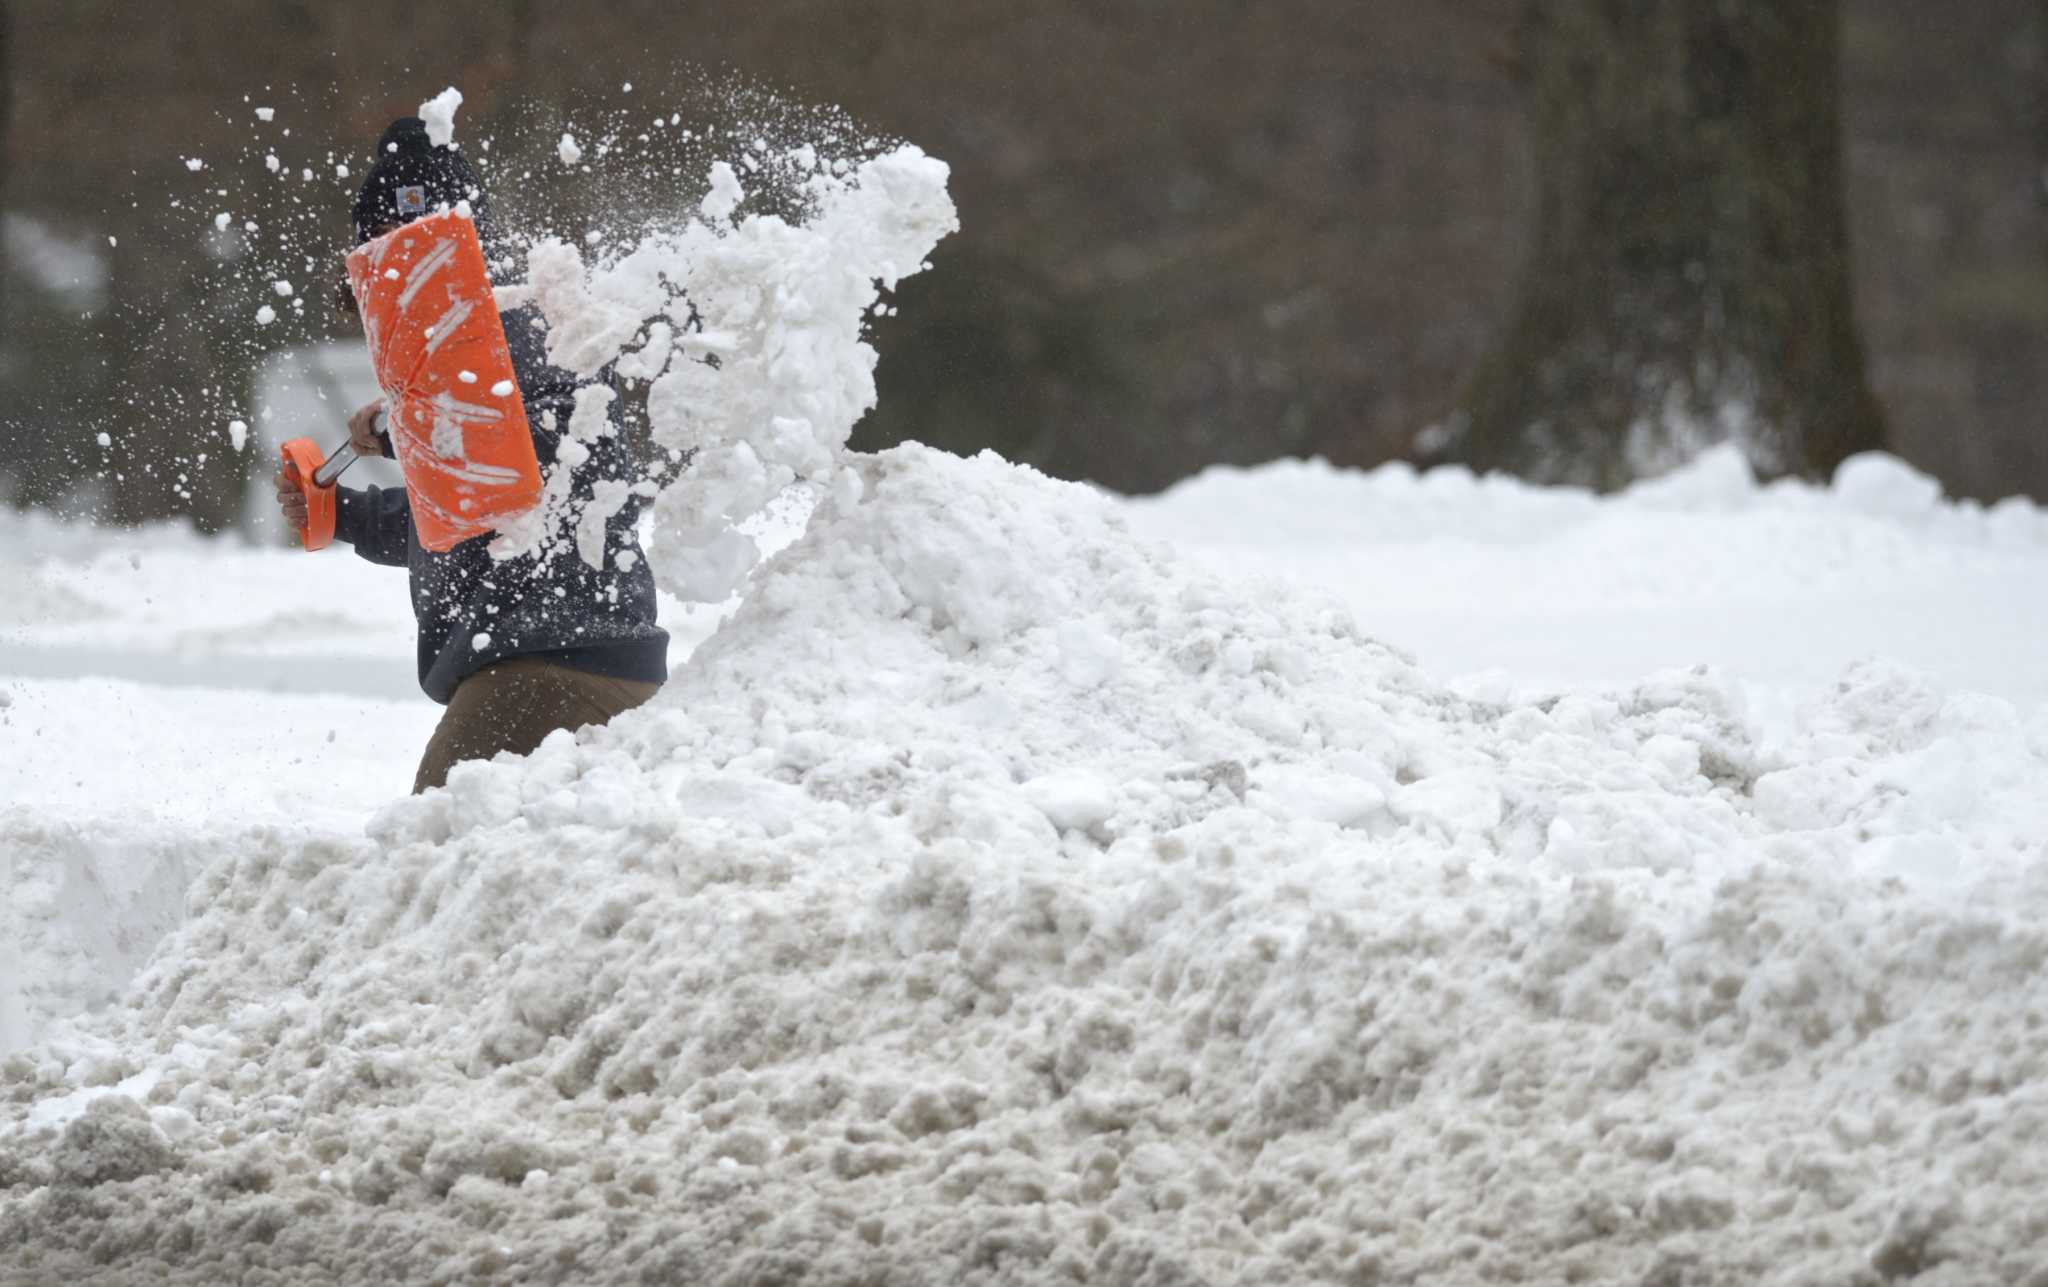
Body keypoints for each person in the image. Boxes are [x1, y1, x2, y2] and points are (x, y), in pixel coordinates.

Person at [276, 116, 668, 793]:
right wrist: (343, 514)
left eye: (396, 263)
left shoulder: (528, 331)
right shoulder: (466, 363)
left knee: (425, 866)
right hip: (568, 667)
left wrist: (402, 426)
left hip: (547, 666)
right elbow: (472, 518)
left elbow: (496, 417)